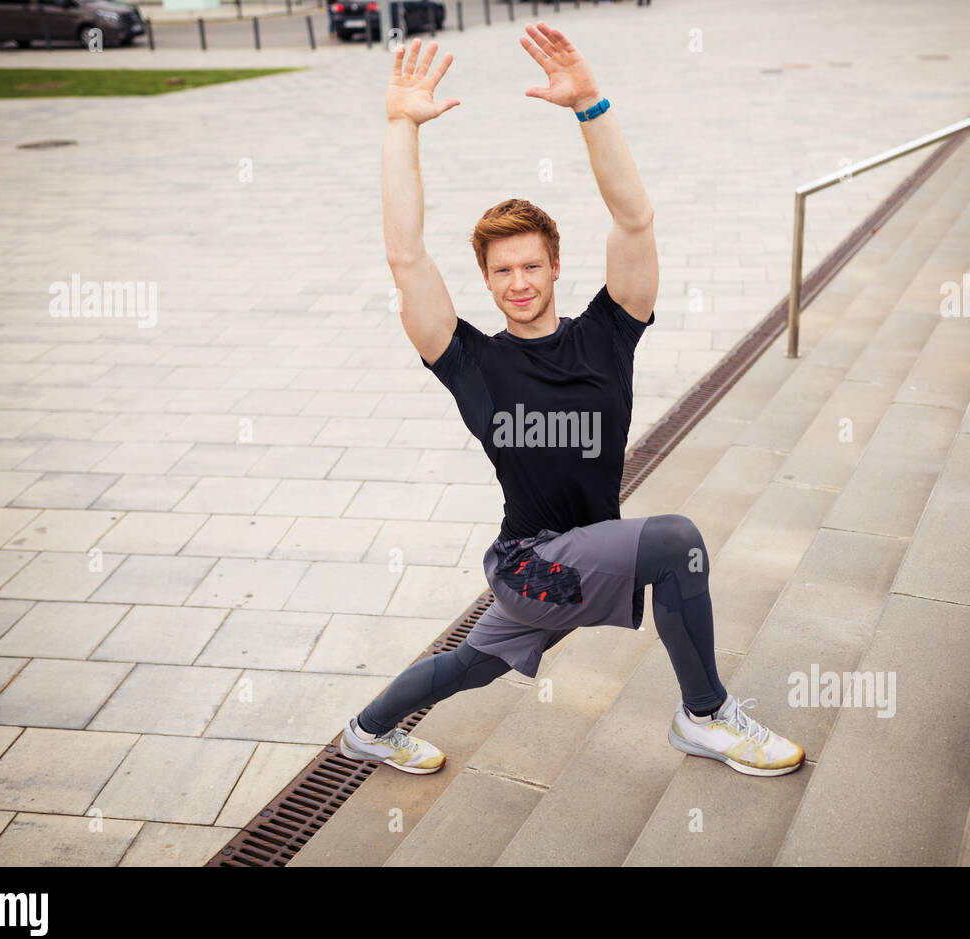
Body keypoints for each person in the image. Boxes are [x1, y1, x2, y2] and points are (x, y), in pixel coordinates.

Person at [338, 23, 805, 778]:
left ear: (556, 266)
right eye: (502, 272)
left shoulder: (607, 334)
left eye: (531, 265)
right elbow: (405, 254)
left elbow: (635, 221)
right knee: (676, 540)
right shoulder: (470, 361)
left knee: (473, 666)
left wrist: (591, 104)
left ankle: (367, 729)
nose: (518, 282)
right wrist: (400, 125)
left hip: (581, 549)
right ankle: (706, 715)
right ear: (486, 282)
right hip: (529, 562)